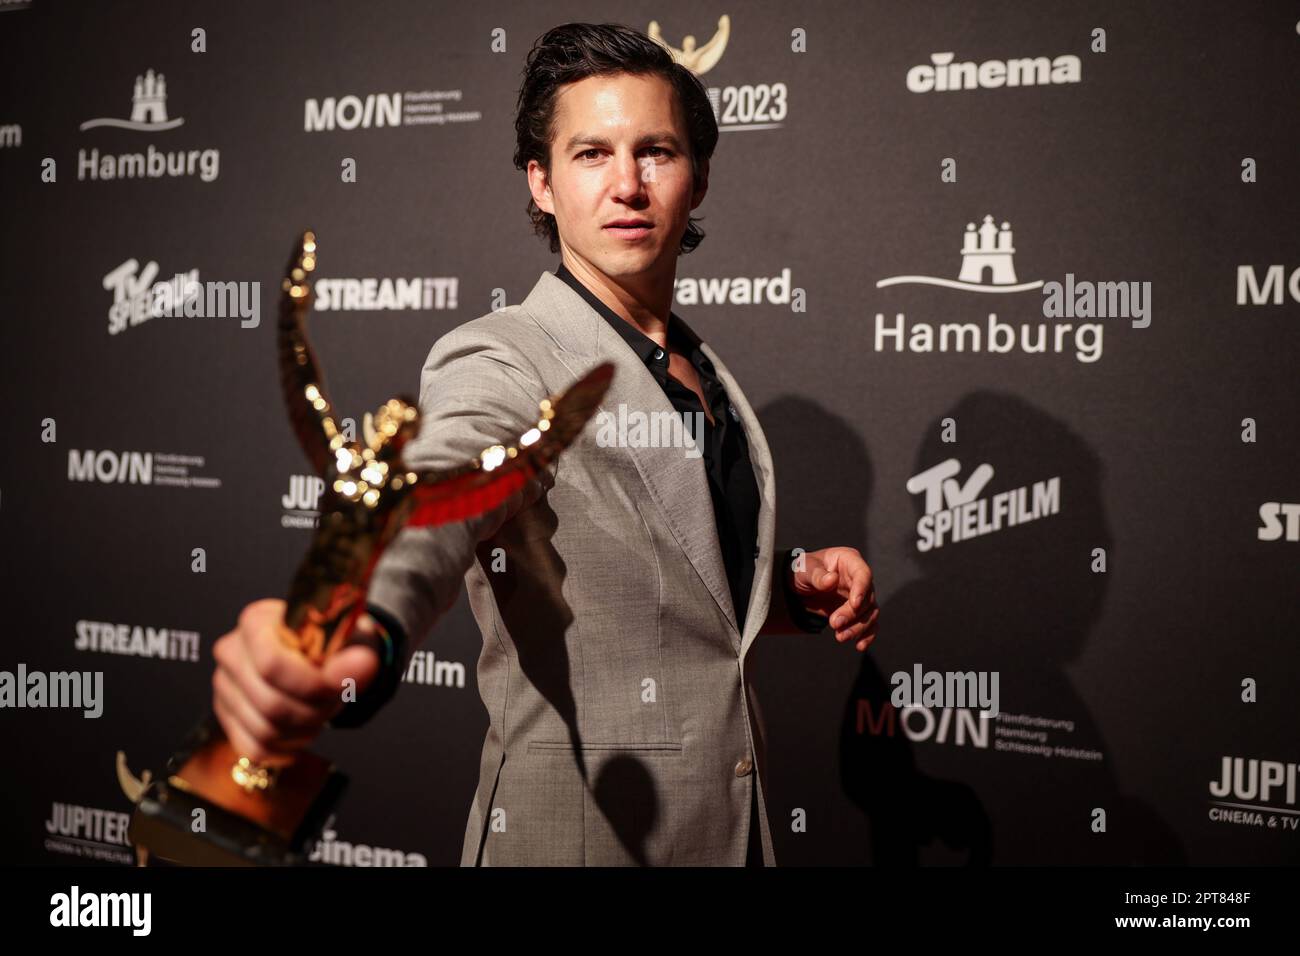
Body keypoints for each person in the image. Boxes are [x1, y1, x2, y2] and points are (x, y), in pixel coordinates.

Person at [211, 21, 879, 866]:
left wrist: (786, 588)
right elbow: (441, 488)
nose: (627, 184)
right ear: (542, 182)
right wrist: (360, 628)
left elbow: (673, 587)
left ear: (699, 177)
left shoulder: (702, 366)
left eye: (656, 152)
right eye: (591, 154)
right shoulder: (504, 358)